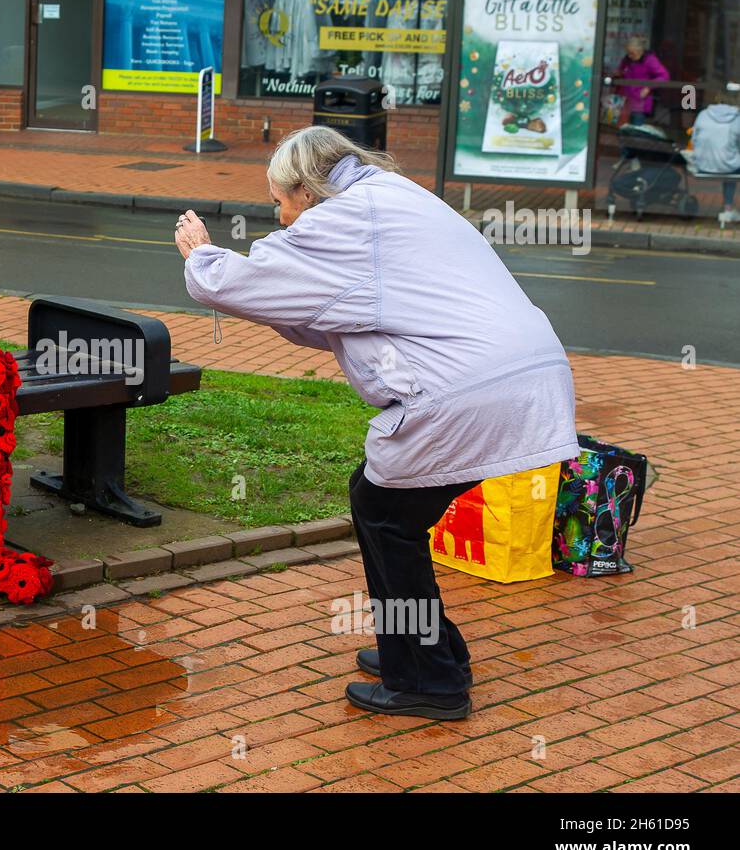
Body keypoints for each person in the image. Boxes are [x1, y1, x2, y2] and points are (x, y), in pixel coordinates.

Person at [174, 126, 579, 721]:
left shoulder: (348, 217)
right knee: (386, 510)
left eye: (279, 201)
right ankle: (426, 653)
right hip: (519, 379)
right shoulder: (392, 196)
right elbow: (333, 310)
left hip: (469, 390)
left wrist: (200, 254)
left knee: (386, 516)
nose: (279, 215)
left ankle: (428, 681)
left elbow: (258, 278)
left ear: (305, 191)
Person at [691, 92, 740, 225]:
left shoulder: (703, 114)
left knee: (728, 162)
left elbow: (694, 139)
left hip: (703, 165)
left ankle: (728, 209)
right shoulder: (737, 117)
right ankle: (727, 209)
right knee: (730, 166)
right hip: (728, 166)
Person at [615, 35, 670, 128]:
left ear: (640, 51)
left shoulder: (649, 60)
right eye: (628, 53)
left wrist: (648, 87)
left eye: (632, 53)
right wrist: (619, 73)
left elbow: (664, 76)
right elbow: (622, 70)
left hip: (639, 102)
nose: (629, 55)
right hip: (625, 100)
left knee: (636, 129)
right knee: (622, 129)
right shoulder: (627, 59)